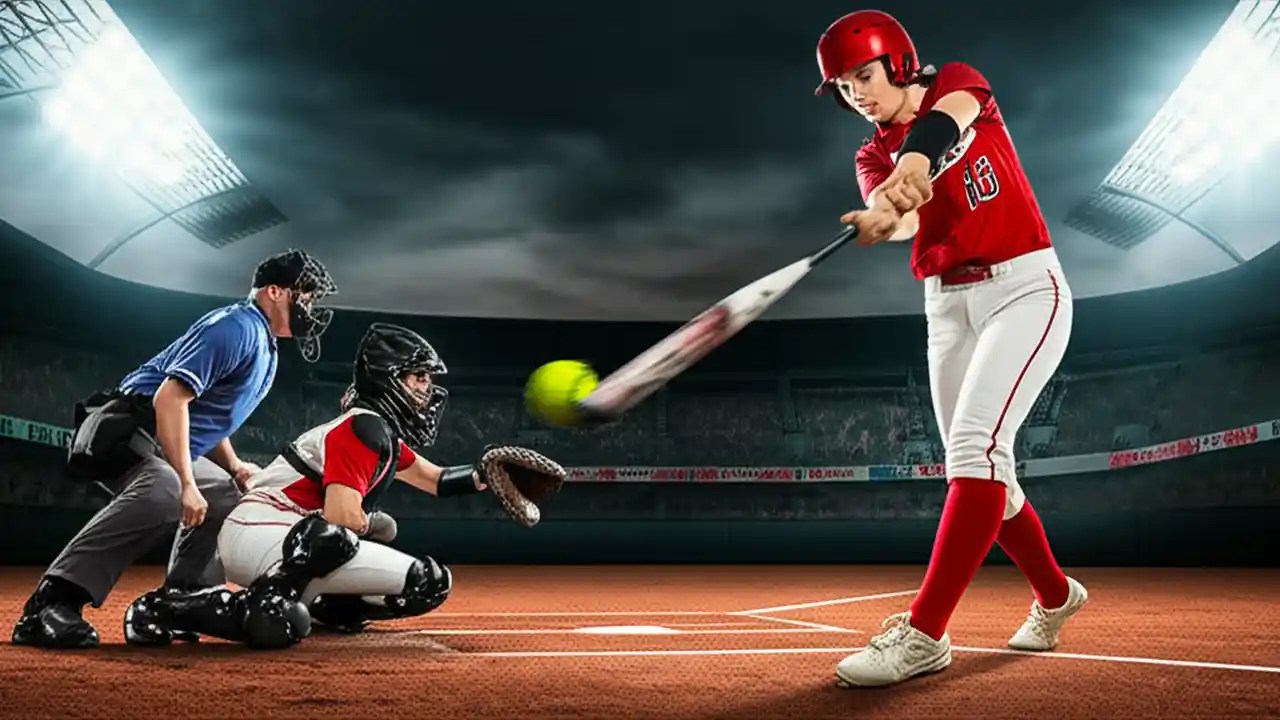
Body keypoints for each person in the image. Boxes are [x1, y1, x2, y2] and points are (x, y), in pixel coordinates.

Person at [812, 10, 1088, 687]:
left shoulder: (957, 83)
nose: (857, 94)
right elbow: (905, 216)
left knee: (975, 451)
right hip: (947, 307)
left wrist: (913, 164)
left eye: (865, 76)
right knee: (988, 474)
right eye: (843, 87)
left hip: (1024, 287)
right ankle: (1057, 596)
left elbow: (942, 125)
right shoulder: (869, 157)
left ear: (899, 62)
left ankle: (925, 634)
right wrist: (885, 216)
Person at [120, 323, 565, 649]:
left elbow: (434, 480)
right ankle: (170, 606)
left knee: (428, 583)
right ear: (389, 379)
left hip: (292, 540)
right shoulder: (362, 429)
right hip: (259, 530)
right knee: (327, 548)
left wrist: (483, 474)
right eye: (420, 378)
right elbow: (340, 515)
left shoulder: (380, 435)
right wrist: (375, 523)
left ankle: (323, 608)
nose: (428, 390)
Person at [12, 249, 338, 649]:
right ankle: (50, 603)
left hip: (157, 437)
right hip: (124, 427)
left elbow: (203, 416)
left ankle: (180, 602)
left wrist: (235, 466)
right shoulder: (236, 327)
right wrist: (187, 481)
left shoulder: (262, 342)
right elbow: (170, 399)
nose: (309, 307)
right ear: (275, 291)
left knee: (229, 493)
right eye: (305, 295)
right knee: (164, 489)